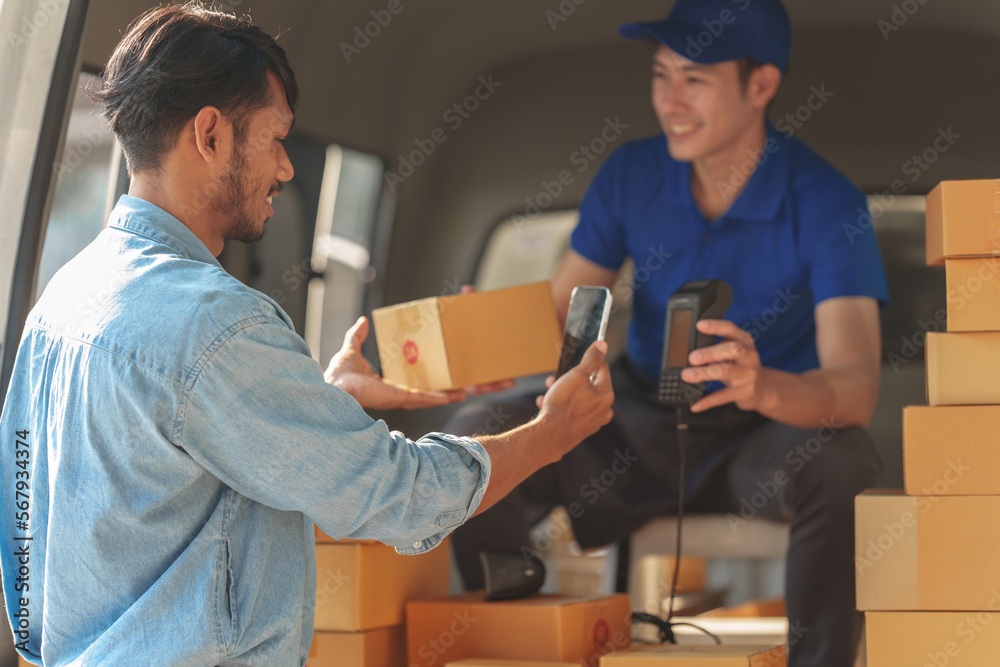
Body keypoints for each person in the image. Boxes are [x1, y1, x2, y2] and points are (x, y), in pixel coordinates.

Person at [0, 5, 614, 665]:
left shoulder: (60, 302)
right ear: (209, 134)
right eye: (276, 138)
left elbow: (30, 528)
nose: (287, 168)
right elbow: (405, 498)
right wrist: (551, 433)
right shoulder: (218, 324)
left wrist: (322, 399)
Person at [448, 1, 889, 666]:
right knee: (479, 428)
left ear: (761, 85)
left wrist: (763, 384)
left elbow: (854, 389)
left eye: (696, 79)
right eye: (661, 76)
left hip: (761, 438)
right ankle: (514, 635)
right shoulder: (631, 175)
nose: (670, 102)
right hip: (634, 430)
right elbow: (561, 316)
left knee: (842, 461)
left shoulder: (828, 202)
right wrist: (493, 343)